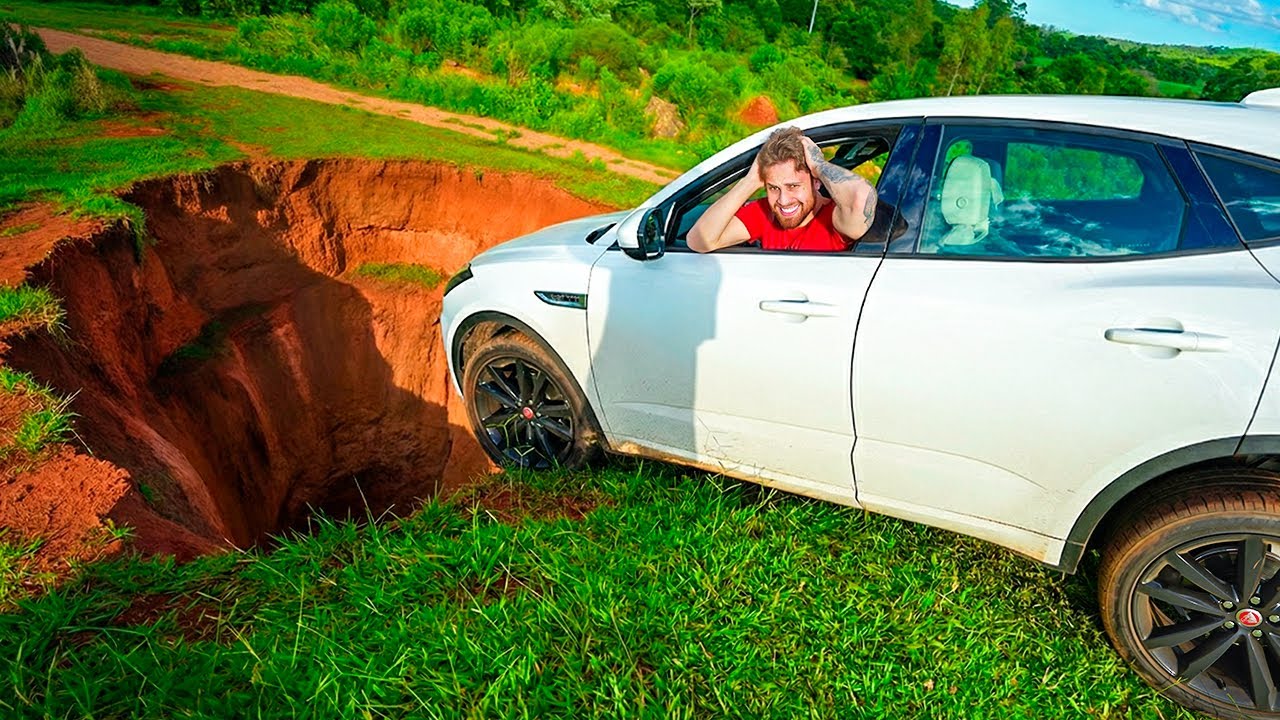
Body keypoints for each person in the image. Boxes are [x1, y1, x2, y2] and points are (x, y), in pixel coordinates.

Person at [687, 126, 878, 253]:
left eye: (793, 186)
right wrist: (750, 182)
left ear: (816, 181)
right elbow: (700, 241)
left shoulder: (834, 219)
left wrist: (818, 165)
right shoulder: (766, 214)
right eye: (773, 188)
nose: (783, 200)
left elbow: (861, 199)